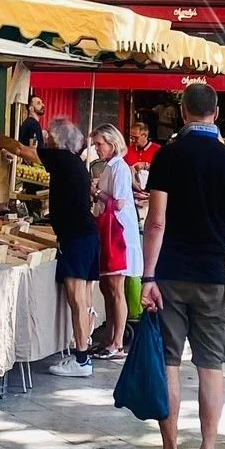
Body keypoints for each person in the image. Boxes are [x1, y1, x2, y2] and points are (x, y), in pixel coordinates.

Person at [139, 82, 225, 449]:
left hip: (169, 273)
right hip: (212, 275)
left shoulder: (168, 155)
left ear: (183, 112)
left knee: (169, 362)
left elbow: (157, 221)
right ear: (215, 113)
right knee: (210, 366)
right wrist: (221, 238)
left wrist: (147, 275)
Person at [14, 119, 98, 379]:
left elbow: (21, 150)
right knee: (81, 299)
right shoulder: (74, 163)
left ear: (59, 141)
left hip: (76, 237)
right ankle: (82, 353)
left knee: (76, 299)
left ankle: (82, 358)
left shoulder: (61, 158)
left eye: (49, 136)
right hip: (85, 235)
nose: (45, 139)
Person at [90, 124, 142, 360]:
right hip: (108, 231)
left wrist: (97, 193)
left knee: (116, 290)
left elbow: (118, 203)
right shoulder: (109, 168)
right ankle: (109, 338)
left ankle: (117, 342)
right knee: (107, 289)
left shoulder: (120, 168)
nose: (97, 148)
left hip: (118, 233)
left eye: (99, 144)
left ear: (112, 143)